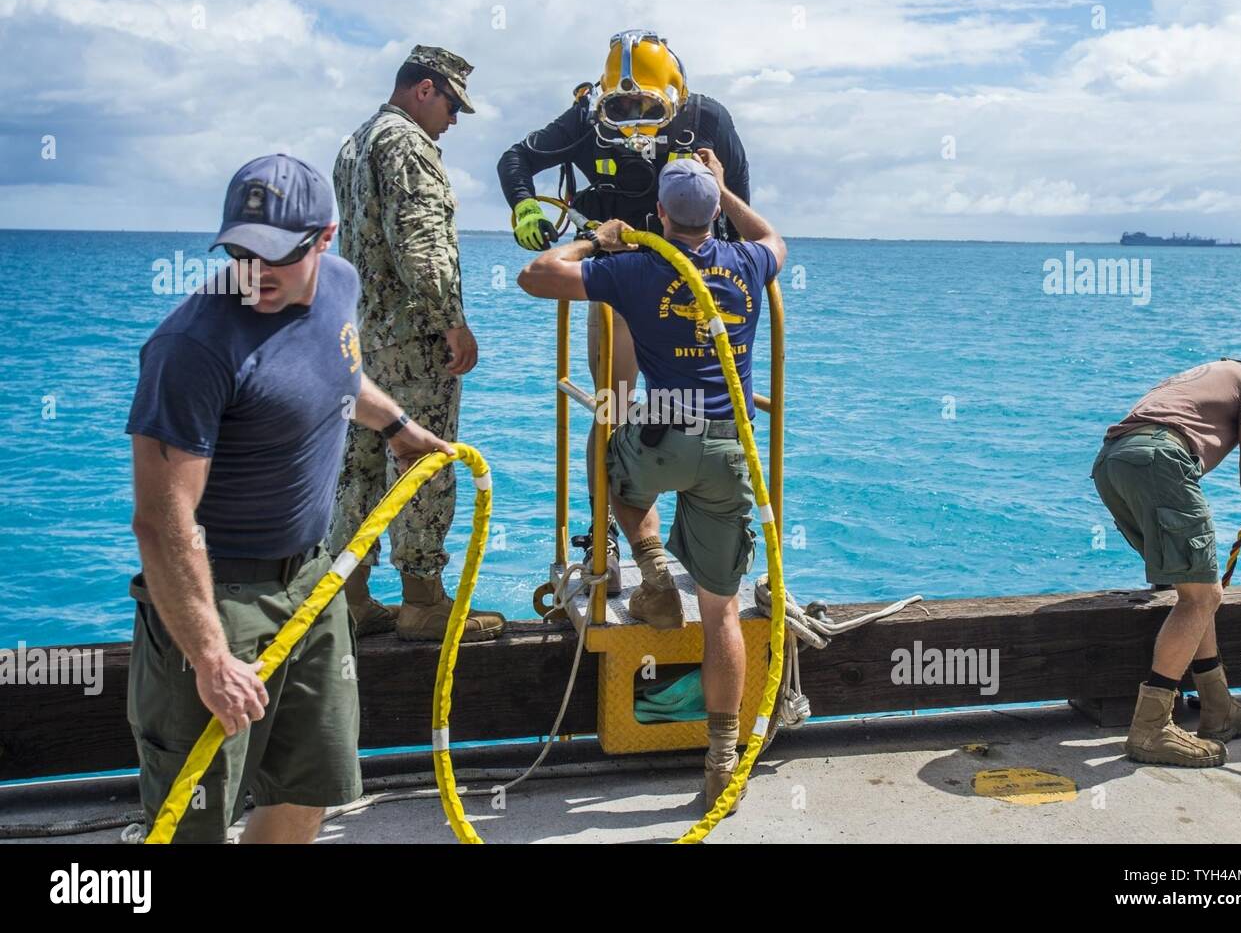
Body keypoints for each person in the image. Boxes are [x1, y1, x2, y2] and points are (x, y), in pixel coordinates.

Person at [126, 154, 457, 843]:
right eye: (241, 252)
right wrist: (211, 657)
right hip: (216, 596)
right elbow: (161, 522)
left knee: (312, 788)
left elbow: (337, 370)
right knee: (194, 823)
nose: (255, 272)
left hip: (313, 580)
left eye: (276, 254)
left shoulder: (340, 284)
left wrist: (396, 426)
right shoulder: (189, 349)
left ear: (325, 239)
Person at [515, 150, 785, 809]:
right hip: (731, 448)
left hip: (663, 438)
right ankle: (722, 758)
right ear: (716, 212)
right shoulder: (749, 263)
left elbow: (535, 275)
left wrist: (597, 238)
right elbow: (774, 237)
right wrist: (726, 190)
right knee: (722, 611)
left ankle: (653, 569)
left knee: (609, 459)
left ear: (659, 213)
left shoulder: (636, 268)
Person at [498, 30, 752, 593]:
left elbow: (738, 204)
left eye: (647, 108)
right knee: (612, 403)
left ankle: (707, 536)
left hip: (692, 280)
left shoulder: (708, 119)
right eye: (622, 108)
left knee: (705, 406)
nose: (635, 122)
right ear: (603, 101)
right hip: (620, 276)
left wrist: (730, 279)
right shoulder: (584, 119)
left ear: (676, 99)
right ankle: (605, 536)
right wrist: (524, 207)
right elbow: (516, 158)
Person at [331, 45, 504, 642]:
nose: (453, 120)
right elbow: (421, 241)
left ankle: (349, 599)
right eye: (452, 106)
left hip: (362, 338)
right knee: (423, 461)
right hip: (411, 337)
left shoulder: (354, 143)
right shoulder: (407, 143)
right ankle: (422, 602)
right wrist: (451, 321)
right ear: (425, 89)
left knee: (358, 469)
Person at [1092, 359, 1241, 767]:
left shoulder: (1200, 377)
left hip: (1112, 463)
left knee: (1195, 589)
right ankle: (1150, 728)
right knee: (1202, 597)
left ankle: (1217, 706)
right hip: (1159, 458)